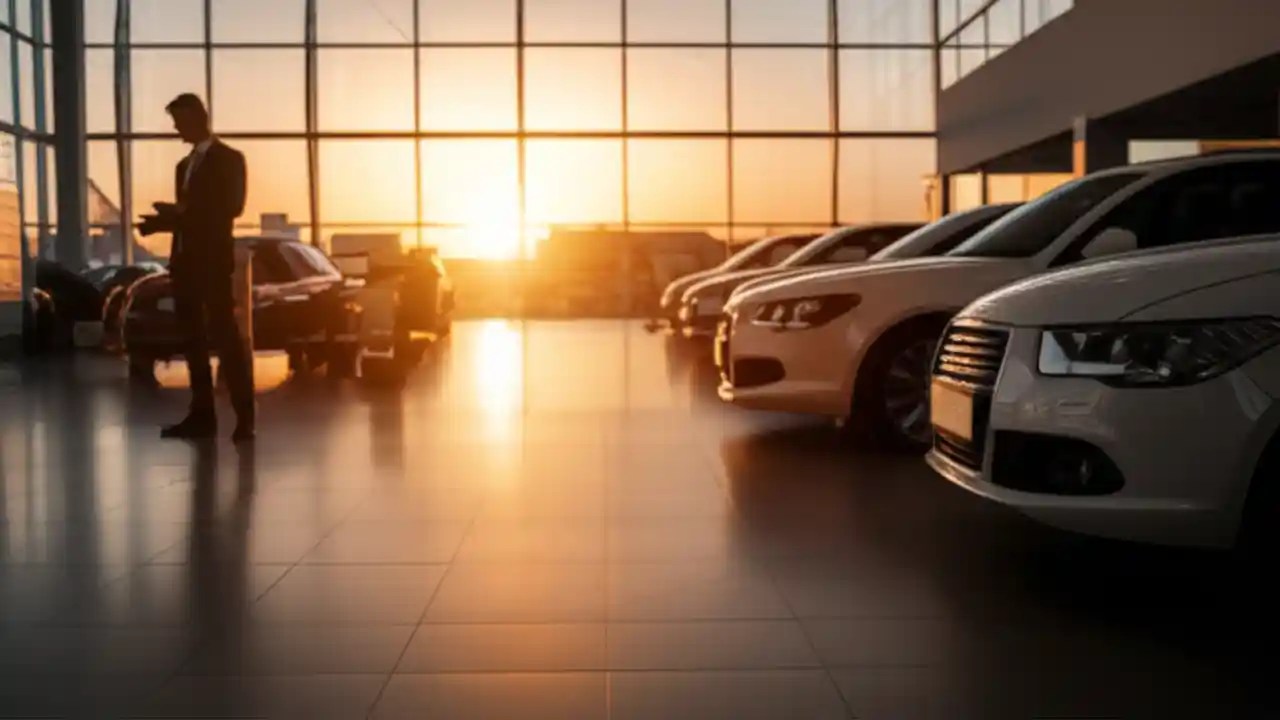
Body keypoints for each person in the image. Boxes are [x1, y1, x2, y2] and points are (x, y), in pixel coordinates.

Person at [138, 93, 254, 442]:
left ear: (197, 118)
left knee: (226, 339)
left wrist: (179, 215)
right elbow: (195, 217)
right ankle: (201, 415)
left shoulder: (230, 159)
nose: (176, 128)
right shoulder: (183, 166)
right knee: (193, 343)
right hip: (186, 264)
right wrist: (164, 223)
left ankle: (245, 418)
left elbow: (231, 207)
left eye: (179, 121)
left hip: (213, 264)